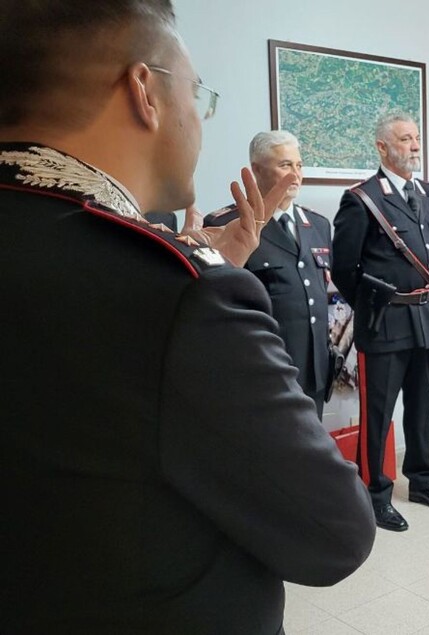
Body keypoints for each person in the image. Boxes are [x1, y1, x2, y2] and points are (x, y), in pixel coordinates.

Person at [0, 2, 376, 632]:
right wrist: (206, 280)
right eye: (198, 94)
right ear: (144, 91)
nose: (200, 118)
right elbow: (335, 532)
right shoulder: (181, 294)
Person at [332, 111, 429, 532]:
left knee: (421, 406)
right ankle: (376, 495)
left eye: (416, 138)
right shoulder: (362, 199)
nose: (415, 146)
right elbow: (343, 270)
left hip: (425, 318)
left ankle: (423, 482)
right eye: (405, 139)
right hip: (385, 322)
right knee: (379, 413)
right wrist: (374, 307)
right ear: (382, 147)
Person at [205, 131, 335, 417]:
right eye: (285, 165)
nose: (295, 175)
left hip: (313, 368)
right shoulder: (229, 225)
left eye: (299, 165)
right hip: (262, 369)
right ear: (257, 169)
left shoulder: (318, 225)